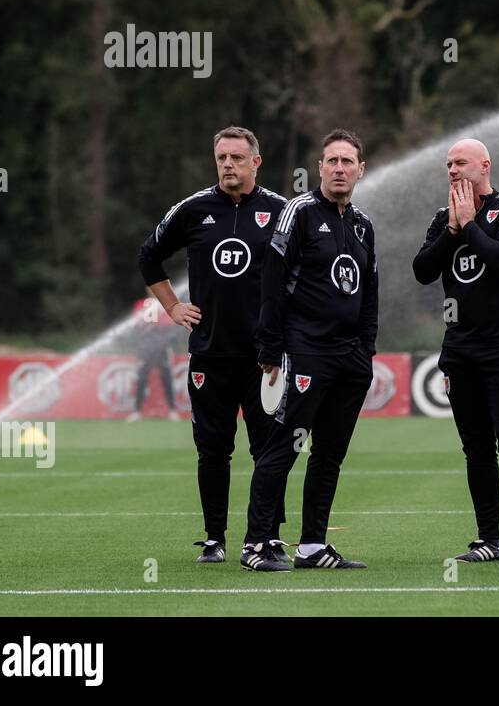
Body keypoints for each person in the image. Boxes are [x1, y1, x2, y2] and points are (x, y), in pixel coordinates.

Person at [137, 125, 289, 563]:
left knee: (268, 449)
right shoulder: (193, 209)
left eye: (237, 158)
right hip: (209, 353)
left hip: (264, 359)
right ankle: (214, 538)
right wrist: (172, 308)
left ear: (256, 162)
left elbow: (298, 272)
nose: (228, 165)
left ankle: (267, 536)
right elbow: (149, 255)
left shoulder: (280, 210)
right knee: (213, 449)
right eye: (221, 158)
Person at [243, 129, 378, 572]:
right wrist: (269, 345)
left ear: (361, 169)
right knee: (283, 447)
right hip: (304, 352)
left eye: (348, 162)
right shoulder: (298, 213)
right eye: (332, 161)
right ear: (320, 167)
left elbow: (369, 291)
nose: (339, 169)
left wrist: (367, 349)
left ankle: (313, 546)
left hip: (350, 359)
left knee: (329, 455)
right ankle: (257, 545)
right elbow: (271, 282)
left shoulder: (362, 225)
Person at [412, 138, 499, 564]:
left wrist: (469, 226)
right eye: (448, 163)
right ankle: (489, 540)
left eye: (460, 162)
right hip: (460, 347)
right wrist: (452, 229)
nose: (452, 170)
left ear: (485, 165)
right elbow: (423, 270)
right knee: (477, 446)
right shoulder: (441, 218)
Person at [126, 297, 181, 422]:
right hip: (146, 349)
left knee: (166, 379)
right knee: (142, 379)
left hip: (161, 348)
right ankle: (137, 411)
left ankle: (172, 411)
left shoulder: (163, 304)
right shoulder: (141, 304)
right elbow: (137, 327)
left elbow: (169, 327)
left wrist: (167, 344)